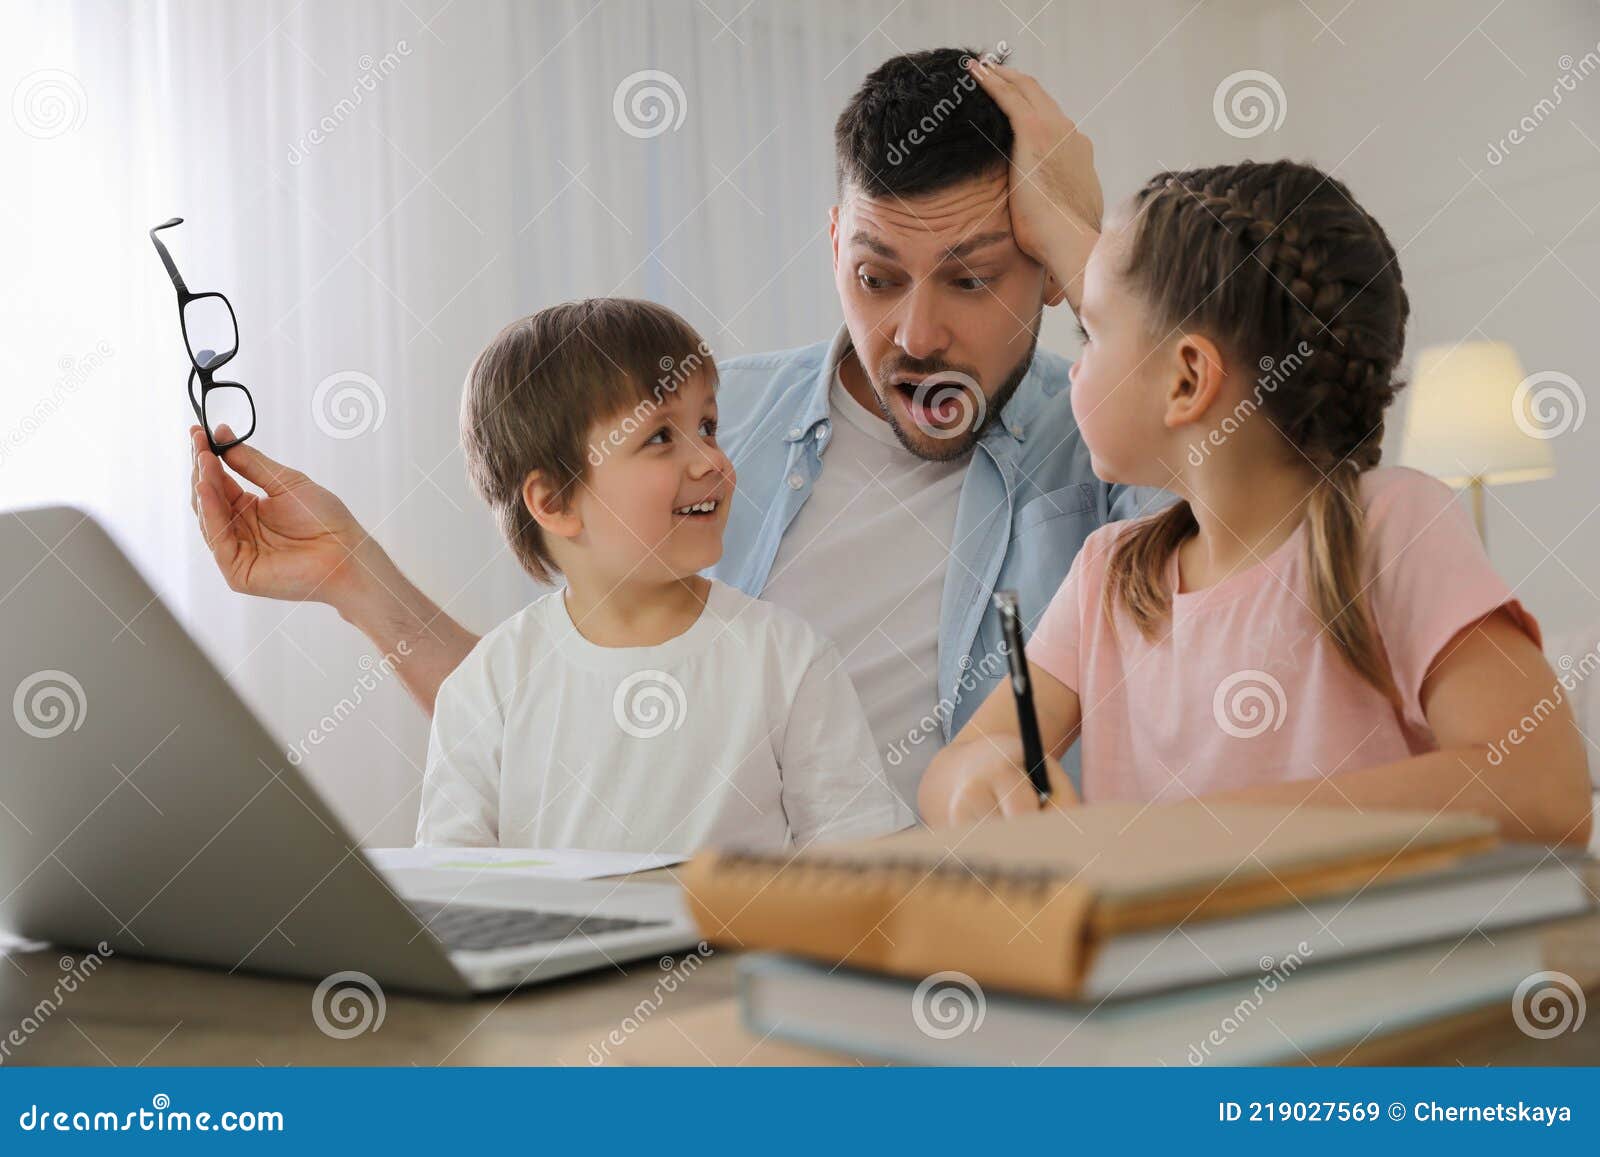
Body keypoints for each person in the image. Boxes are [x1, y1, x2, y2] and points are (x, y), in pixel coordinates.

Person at [187, 47, 1160, 815]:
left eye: (972, 275)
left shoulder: (1118, 443)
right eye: (876, 275)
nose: (914, 333)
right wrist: (354, 578)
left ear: (1041, 267)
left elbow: (1261, 521)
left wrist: (1084, 242)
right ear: (833, 246)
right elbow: (549, 726)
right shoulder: (703, 425)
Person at [918, 122, 1592, 846]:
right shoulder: (1109, 575)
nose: (1075, 367)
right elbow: (950, 771)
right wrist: (980, 779)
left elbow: (1542, 787)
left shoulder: (1390, 527)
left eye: (1093, 333)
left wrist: (1197, 838)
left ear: (1186, 379)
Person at [414, 298, 909, 852]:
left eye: (708, 426)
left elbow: (861, 869)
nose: (710, 461)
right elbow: (455, 893)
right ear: (554, 501)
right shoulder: (489, 684)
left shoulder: (786, 658)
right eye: (659, 438)